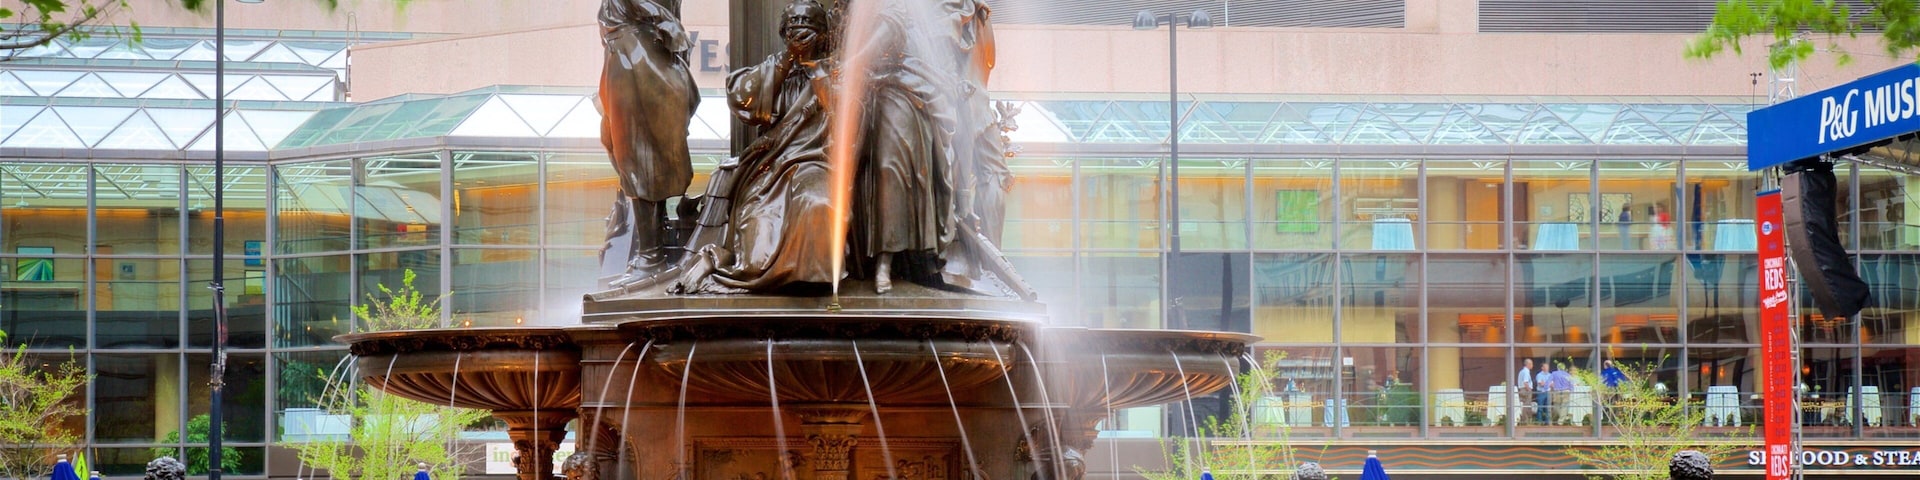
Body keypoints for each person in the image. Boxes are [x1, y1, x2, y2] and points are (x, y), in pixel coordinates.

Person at [670, 0, 838, 294]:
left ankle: (810, 284)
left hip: (818, 163)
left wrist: (814, 68)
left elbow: (846, 112)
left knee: (817, 204)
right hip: (772, 166)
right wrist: (787, 61)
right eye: (791, 31)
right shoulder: (776, 67)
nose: (799, 37)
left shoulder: (834, 73)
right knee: (759, 224)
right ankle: (748, 269)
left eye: (808, 29)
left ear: (823, 36)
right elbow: (742, 99)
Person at [598, 0, 701, 285]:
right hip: (635, 50)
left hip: (637, 52)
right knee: (634, 153)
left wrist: (663, 20)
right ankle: (651, 252)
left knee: (637, 155)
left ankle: (650, 256)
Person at [1516, 358, 1535, 424]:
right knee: (1527, 405)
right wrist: (1529, 390)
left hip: (1521, 389)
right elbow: (1525, 382)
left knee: (1523, 405)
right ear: (1528, 364)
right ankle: (1525, 420)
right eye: (1531, 364)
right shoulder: (1526, 372)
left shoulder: (1521, 371)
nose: (1532, 365)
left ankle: (1523, 419)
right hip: (1526, 389)